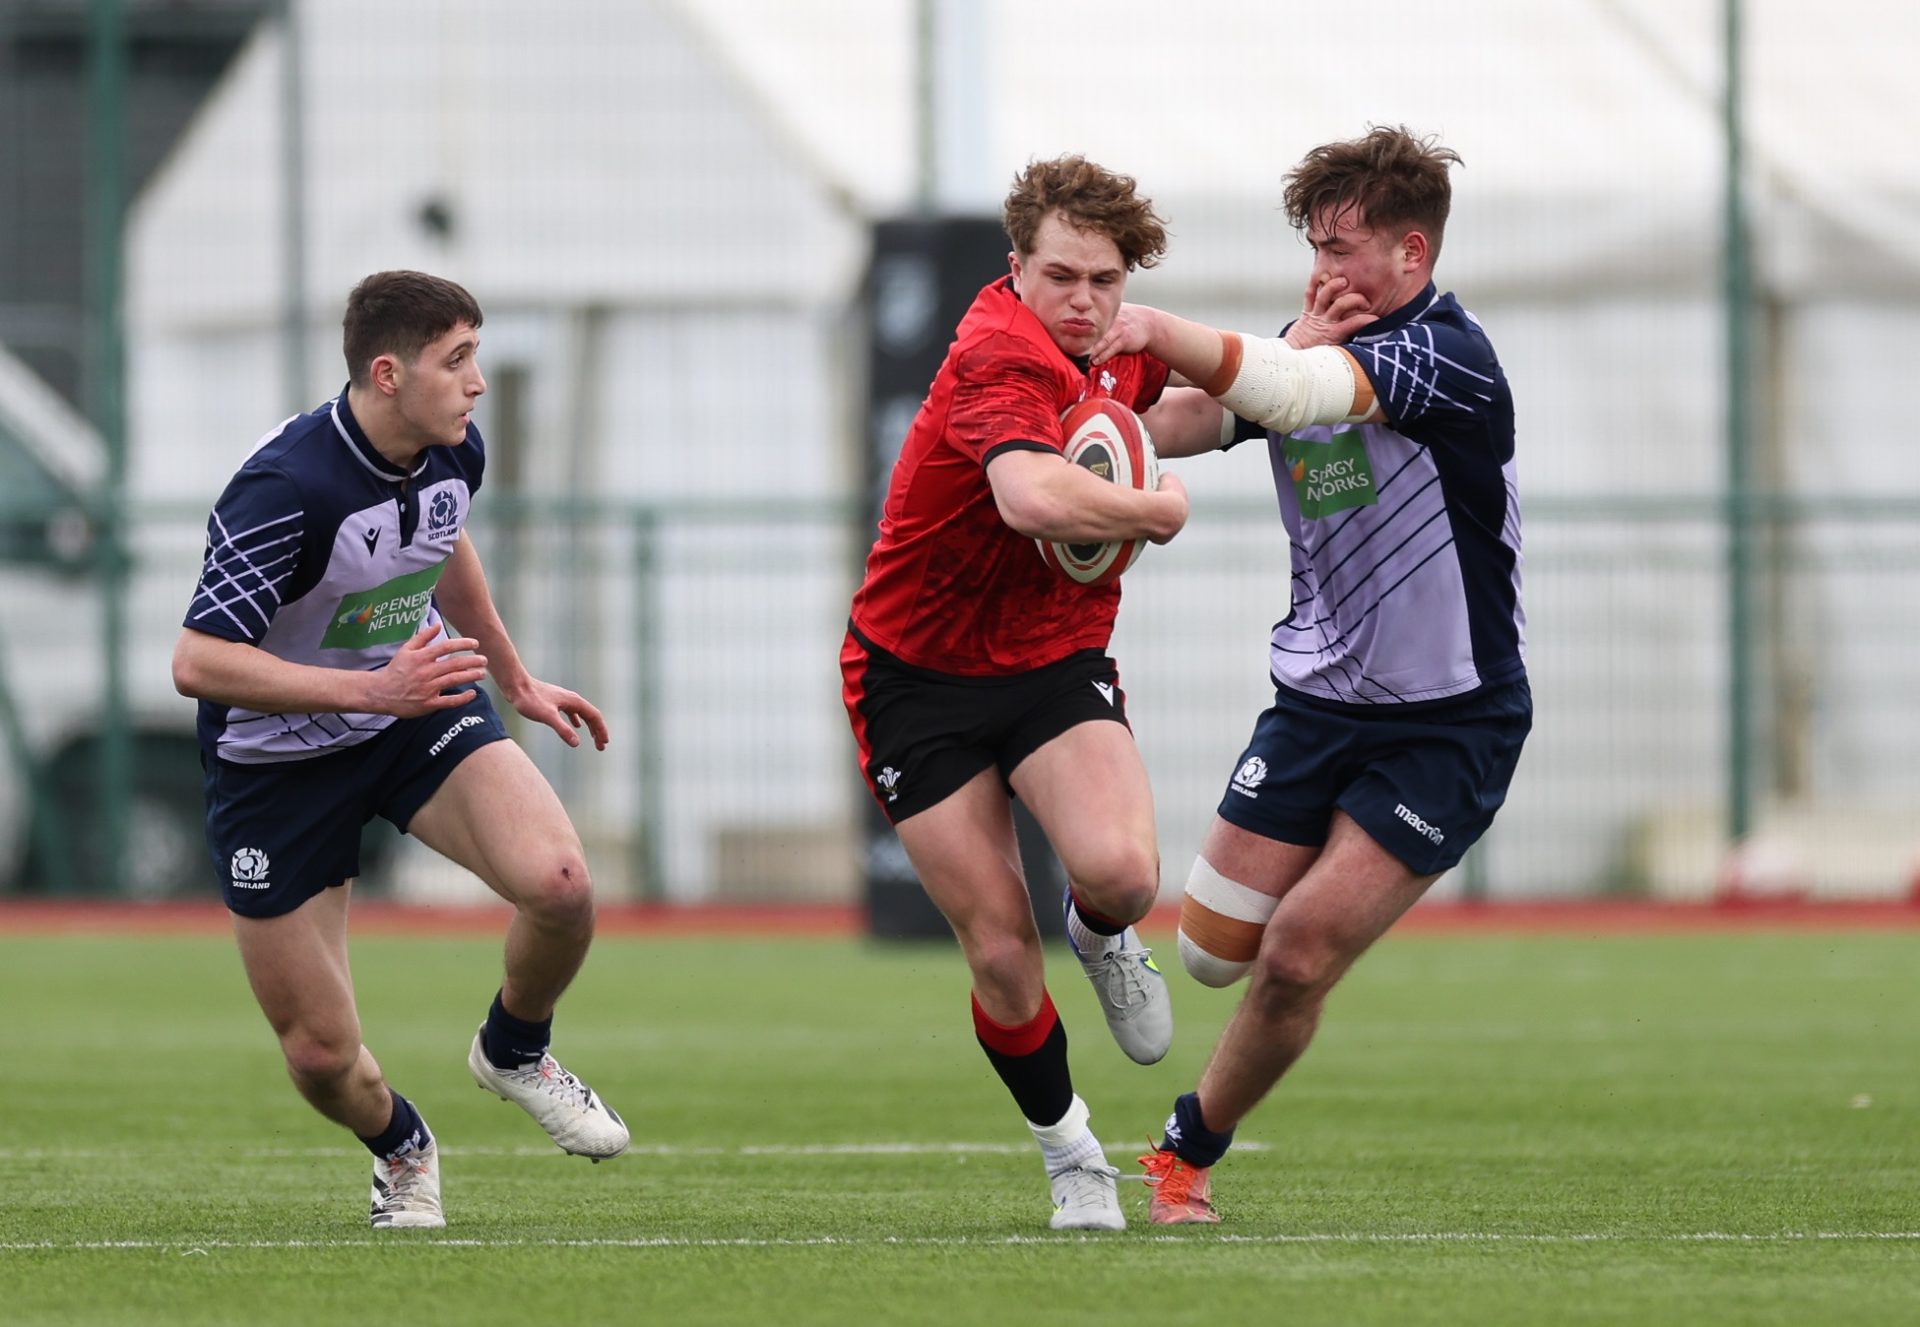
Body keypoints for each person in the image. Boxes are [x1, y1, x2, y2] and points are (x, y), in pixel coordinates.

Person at [1089, 126, 1530, 1224]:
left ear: (1412, 255)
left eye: (1342, 247)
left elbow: (1292, 390)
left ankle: (1185, 1154)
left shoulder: (1447, 357)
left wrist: (1151, 327)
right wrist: (1086, 441)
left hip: (1449, 724)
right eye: (1314, 245)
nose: (1323, 269)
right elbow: (1194, 417)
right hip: (1314, 706)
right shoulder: (1312, 338)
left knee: (1295, 956)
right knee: (1207, 955)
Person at [171, 270, 630, 1230]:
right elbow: (196, 660)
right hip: (277, 764)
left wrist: (514, 675)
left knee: (560, 883)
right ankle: (403, 1146)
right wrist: (365, 688)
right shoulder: (287, 488)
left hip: (408, 711)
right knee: (320, 1057)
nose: (478, 383)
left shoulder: (450, 448)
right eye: (457, 360)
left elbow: (443, 543)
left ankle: (514, 1047)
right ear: (388, 373)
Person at [841, 156, 1191, 1231]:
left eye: (1105, 279)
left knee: (1125, 876)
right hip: (918, 675)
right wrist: (1156, 514)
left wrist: (1294, 374)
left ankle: (1100, 934)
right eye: (1060, 275)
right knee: (997, 943)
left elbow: (1167, 420)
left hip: (1047, 660)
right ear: (1014, 269)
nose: (1082, 300)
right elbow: (1032, 492)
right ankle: (1070, 1152)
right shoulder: (997, 349)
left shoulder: (1115, 346)